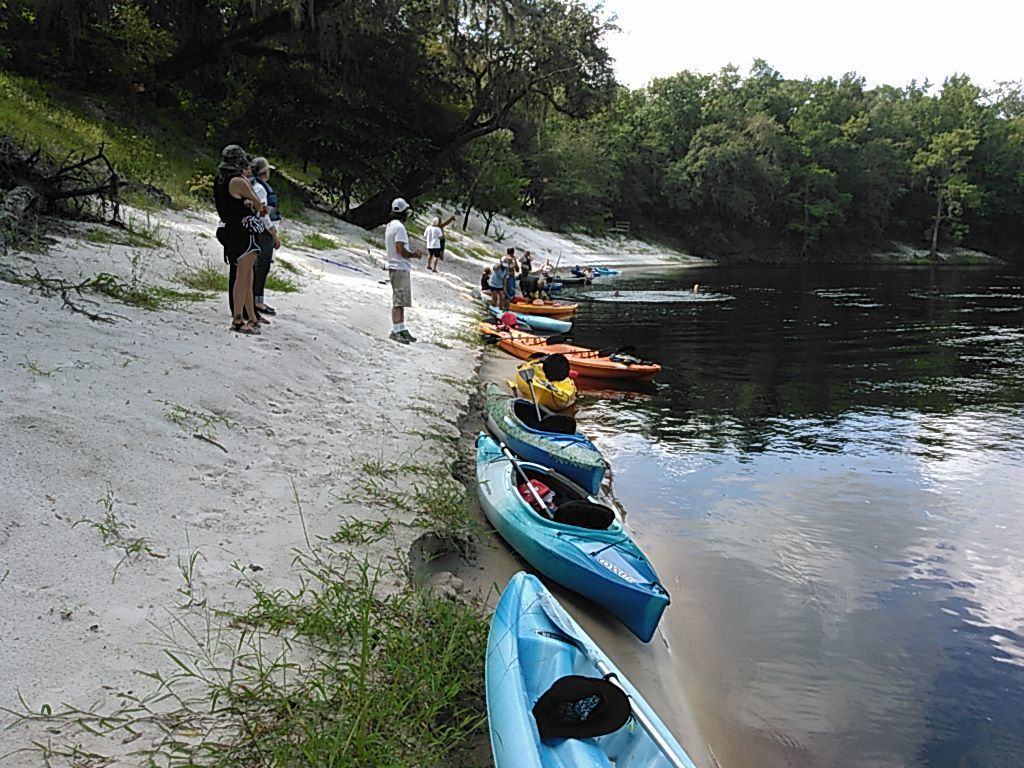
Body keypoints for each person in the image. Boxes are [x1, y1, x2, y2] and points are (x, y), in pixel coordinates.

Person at [214, 144, 265, 335]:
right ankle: (237, 319)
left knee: (245, 275)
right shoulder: (239, 181)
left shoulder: (219, 180)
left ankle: (251, 316)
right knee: (244, 277)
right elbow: (260, 205)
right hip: (244, 231)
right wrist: (252, 203)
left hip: (228, 228)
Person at [384, 197, 422, 343]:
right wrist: (414, 255)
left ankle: (401, 327)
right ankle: (396, 330)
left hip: (396, 267)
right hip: (399, 267)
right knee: (399, 301)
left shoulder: (390, 225)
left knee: (401, 300)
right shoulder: (399, 228)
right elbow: (400, 249)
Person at [250, 157, 282, 316]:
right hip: (264, 231)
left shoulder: (254, 185)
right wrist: (272, 232)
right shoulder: (260, 188)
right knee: (262, 266)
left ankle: (254, 300)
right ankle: (257, 302)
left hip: (261, 229)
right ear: (264, 172)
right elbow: (262, 211)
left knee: (259, 266)